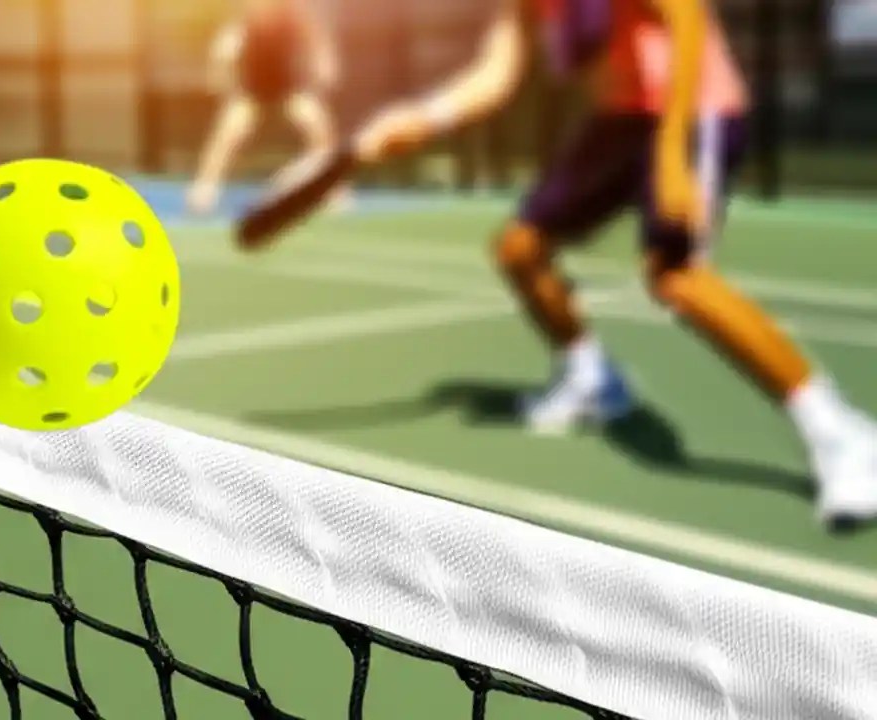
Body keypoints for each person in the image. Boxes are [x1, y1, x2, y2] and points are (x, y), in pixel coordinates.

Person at [350, 0, 877, 531]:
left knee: (677, 278)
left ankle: (842, 433)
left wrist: (672, 154)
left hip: (694, 109)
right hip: (623, 119)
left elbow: (687, 17)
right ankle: (591, 381)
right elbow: (499, 71)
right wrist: (427, 118)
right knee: (520, 248)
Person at [187, 0, 344, 215]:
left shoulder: (292, 18)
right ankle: (204, 190)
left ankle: (333, 188)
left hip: (287, 86)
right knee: (228, 131)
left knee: (317, 124)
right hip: (252, 89)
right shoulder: (245, 21)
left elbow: (315, 40)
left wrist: (325, 65)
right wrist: (223, 78)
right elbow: (224, 50)